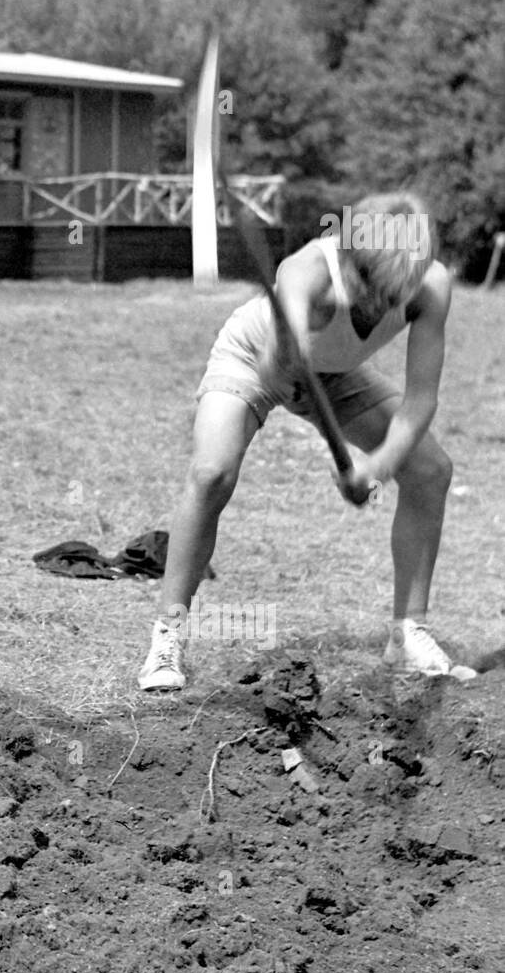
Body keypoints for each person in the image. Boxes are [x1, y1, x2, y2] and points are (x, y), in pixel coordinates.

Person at [139, 191, 474, 692]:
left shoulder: (431, 287)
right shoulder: (306, 271)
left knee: (430, 471)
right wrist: (292, 340)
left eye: (392, 295)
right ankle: (167, 636)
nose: (377, 305)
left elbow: (421, 401)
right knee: (212, 473)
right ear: (350, 256)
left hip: (336, 375)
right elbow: (276, 362)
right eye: (370, 287)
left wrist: (377, 468)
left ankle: (408, 632)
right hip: (253, 357)